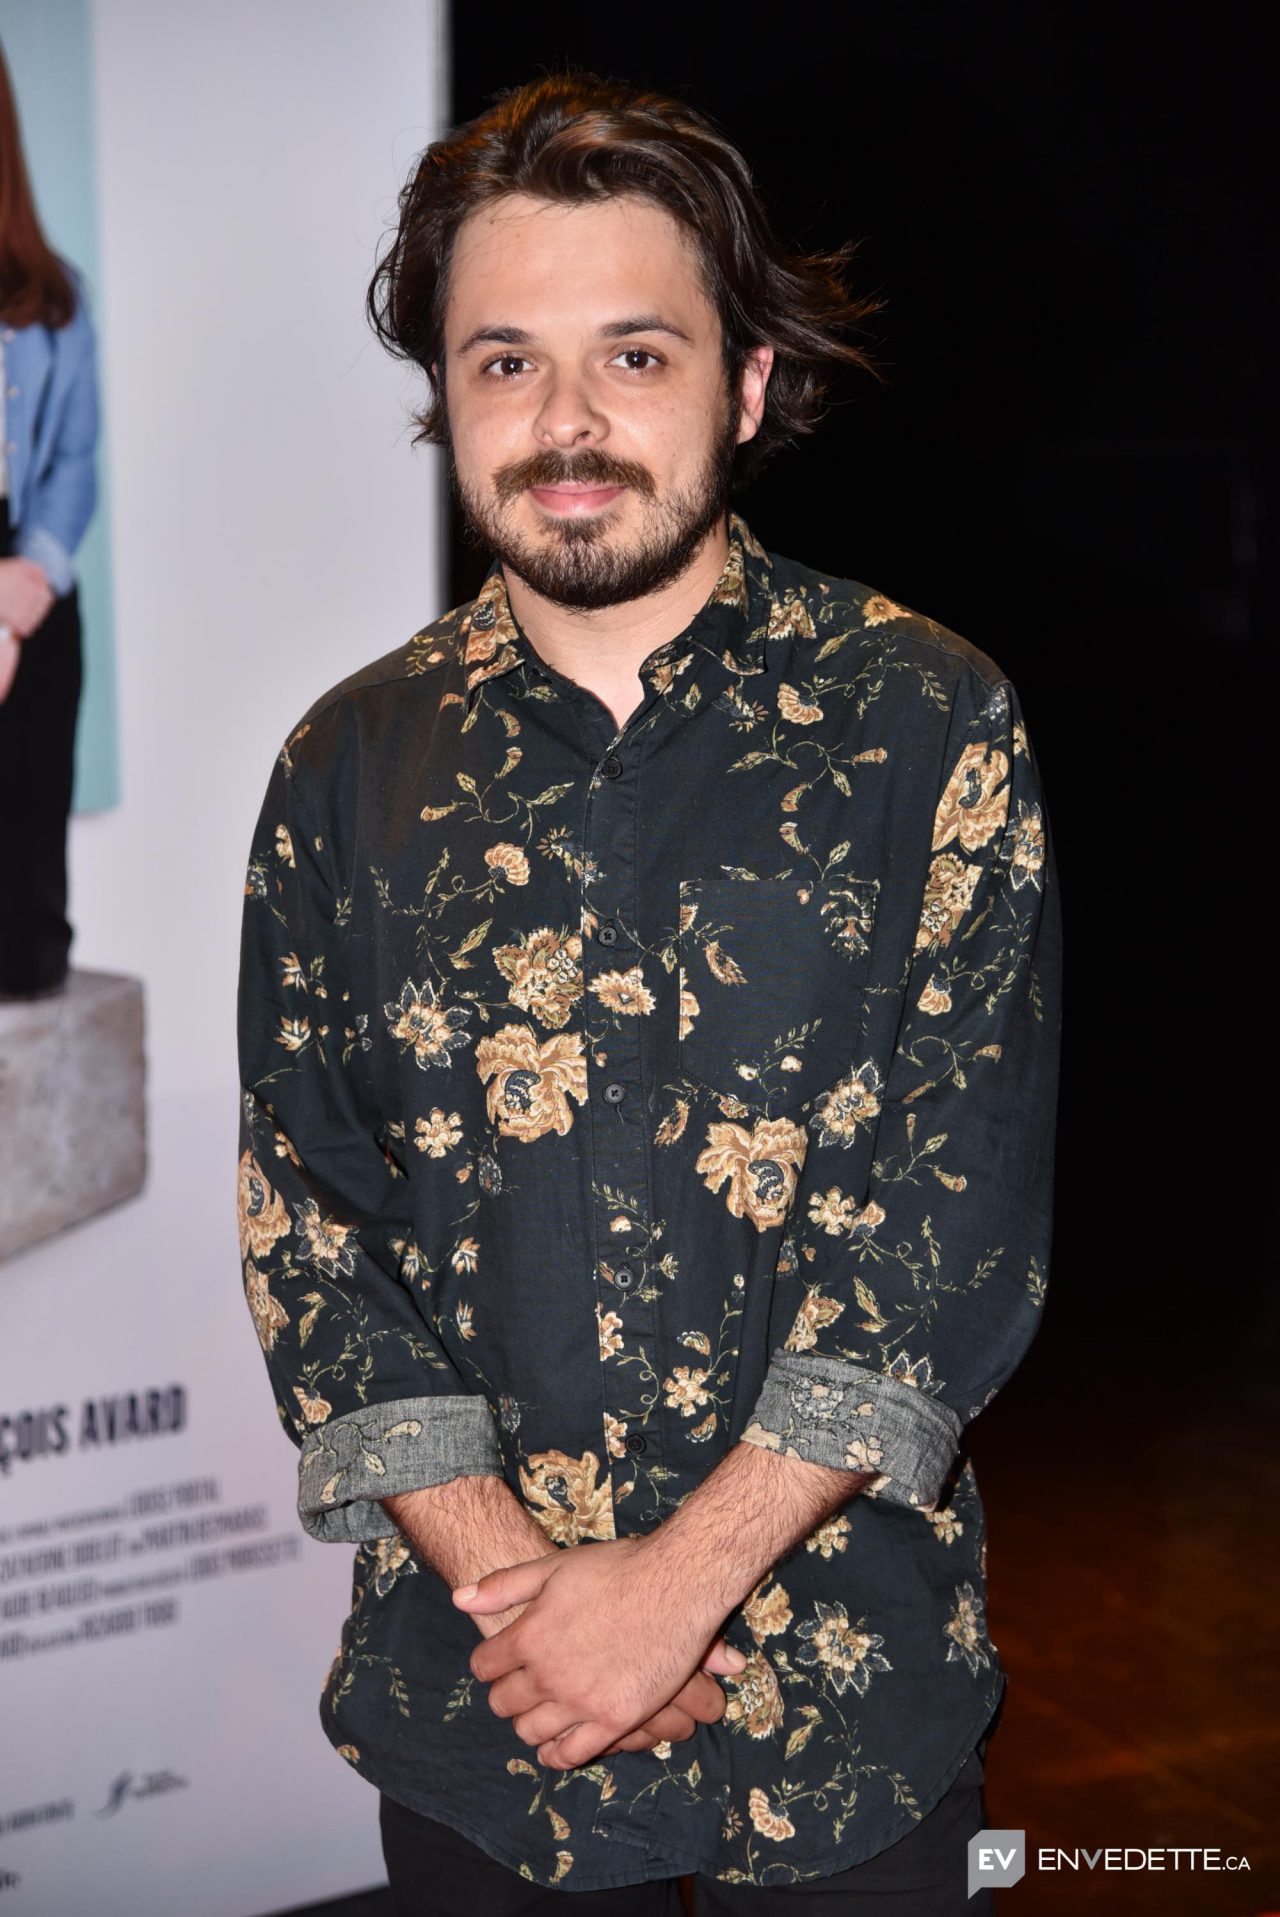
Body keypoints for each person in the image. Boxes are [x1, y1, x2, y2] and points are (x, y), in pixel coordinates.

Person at [236, 72, 1060, 1915]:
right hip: (489, 1700)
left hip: (848, 1699)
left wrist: (672, 1588)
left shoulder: (928, 721)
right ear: (445, 396)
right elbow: (311, 1220)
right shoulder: (342, 767)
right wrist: (540, 1606)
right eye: (506, 362)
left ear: (745, 386)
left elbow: (958, 1229)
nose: (568, 422)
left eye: (635, 354)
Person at [0, 42, 100, 1002]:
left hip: (26, 574)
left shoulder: (56, 297)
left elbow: (74, 462)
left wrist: (22, 586)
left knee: (27, 953)